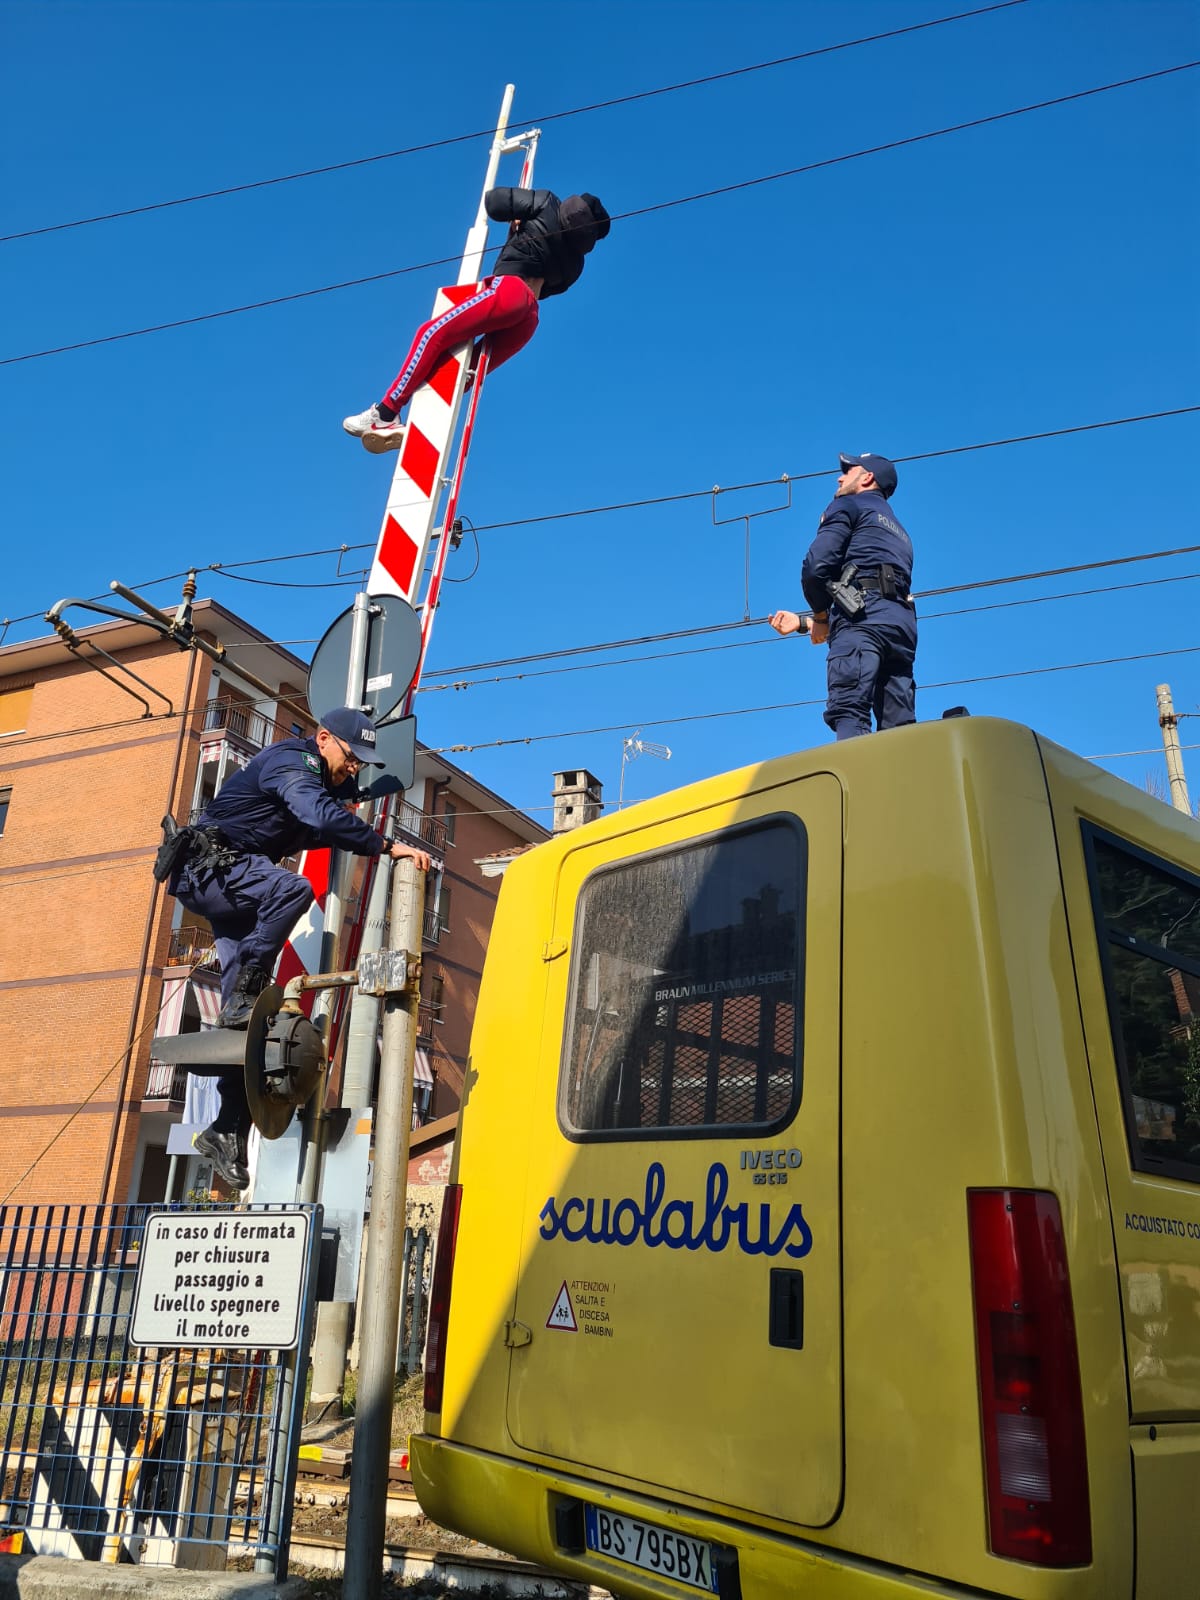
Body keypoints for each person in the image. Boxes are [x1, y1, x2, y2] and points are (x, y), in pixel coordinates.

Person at [164, 706, 431, 1188]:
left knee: (248, 1025)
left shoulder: (314, 784)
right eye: (351, 757)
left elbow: (324, 824)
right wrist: (389, 848)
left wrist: (361, 801)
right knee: (290, 891)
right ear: (323, 738)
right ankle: (244, 995)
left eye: (360, 764)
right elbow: (317, 813)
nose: (353, 768)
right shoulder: (292, 764)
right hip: (211, 871)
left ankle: (225, 1129)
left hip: (236, 883)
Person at [342, 188, 611, 452]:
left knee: (432, 333)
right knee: (466, 373)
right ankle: (419, 424)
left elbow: (493, 202)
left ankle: (386, 412)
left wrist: (515, 218)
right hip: (529, 319)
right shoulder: (577, 265)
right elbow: (550, 290)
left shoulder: (546, 202)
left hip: (511, 292)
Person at [769, 452, 917, 741]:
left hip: (863, 620)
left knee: (849, 709)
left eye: (848, 471)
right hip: (901, 629)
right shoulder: (901, 533)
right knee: (899, 729)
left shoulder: (848, 505)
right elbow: (875, 606)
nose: (840, 477)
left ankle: (860, 786)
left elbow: (816, 567)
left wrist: (821, 616)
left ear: (867, 478)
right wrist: (806, 624)